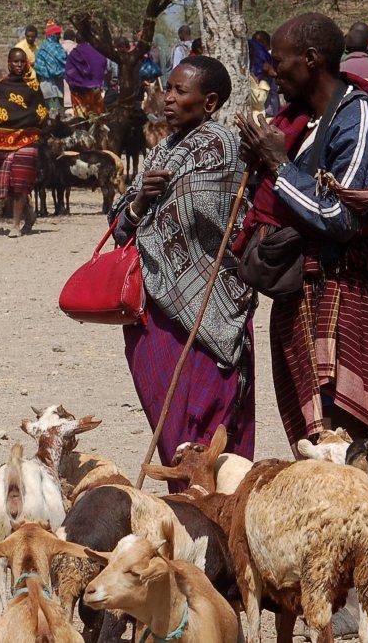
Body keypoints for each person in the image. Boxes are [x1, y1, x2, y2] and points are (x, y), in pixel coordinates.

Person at [235, 13, 368, 450]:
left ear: (310, 59)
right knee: (312, 445)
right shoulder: (298, 122)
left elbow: (341, 218)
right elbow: (279, 203)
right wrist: (259, 167)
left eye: (279, 60)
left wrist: (277, 164)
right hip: (298, 295)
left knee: (344, 444)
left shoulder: (359, 117)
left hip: (340, 295)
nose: (271, 72)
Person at [111, 56, 255, 477]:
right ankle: (185, 495)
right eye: (167, 89)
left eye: (179, 91)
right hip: (156, 300)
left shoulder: (226, 148)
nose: (167, 98)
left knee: (211, 416)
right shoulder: (164, 149)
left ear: (209, 102)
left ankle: (216, 502)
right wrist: (141, 202)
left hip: (213, 302)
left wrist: (166, 204)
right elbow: (121, 226)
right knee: (167, 410)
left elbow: (224, 218)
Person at [0, 47, 47, 238]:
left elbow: (40, 112)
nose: (19, 65)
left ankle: (15, 225)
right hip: (6, 140)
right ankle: (29, 214)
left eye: (22, 61)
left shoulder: (33, 86)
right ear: (9, 63)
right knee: (9, 184)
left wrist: (26, 121)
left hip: (27, 138)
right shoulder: (2, 86)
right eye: (16, 61)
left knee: (20, 183)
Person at [66, 34, 108, 117]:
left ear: (75, 40)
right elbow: (103, 61)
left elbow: (69, 72)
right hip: (94, 90)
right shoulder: (95, 51)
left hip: (78, 93)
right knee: (98, 115)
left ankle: (84, 128)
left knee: (82, 118)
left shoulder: (73, 54)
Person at [35, 23, 68, 119]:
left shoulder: (57, 47)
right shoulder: (46, 48)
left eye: (59, 34)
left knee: (60, 113)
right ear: (52, 35)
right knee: (53, 114)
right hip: (48, 86)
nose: (59, 36)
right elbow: (53, 69)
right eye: (57, 34)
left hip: (57, 85)